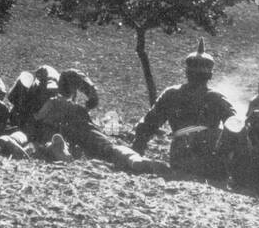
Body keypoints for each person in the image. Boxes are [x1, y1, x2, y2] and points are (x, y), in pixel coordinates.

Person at [132, 39, 237, 180]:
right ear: (210, 76)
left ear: (186, 73)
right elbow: (235, 127)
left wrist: (137, 152)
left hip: (179, 159)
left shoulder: (171, 94)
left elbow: (147, 125)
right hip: (211, 164)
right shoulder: (216, 98)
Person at [34, 70, 168, 175]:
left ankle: (62, 151)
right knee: (108, 147)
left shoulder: (51, 103)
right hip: (83, 134)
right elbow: (90, 125)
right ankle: (134, 159)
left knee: (57, 143)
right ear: (74, 90)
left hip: (57, 133)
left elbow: (38, 118)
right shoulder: (77, 109)